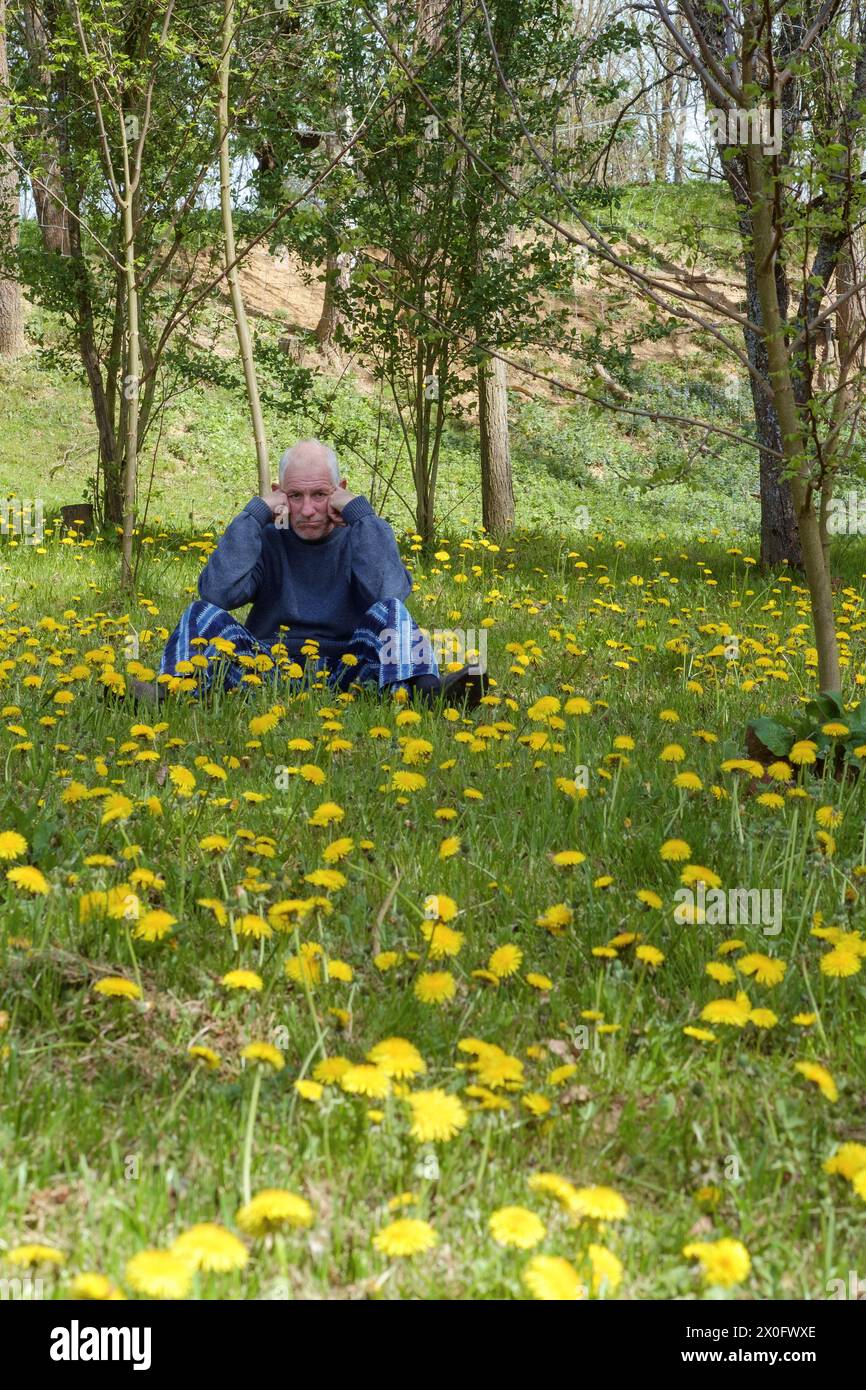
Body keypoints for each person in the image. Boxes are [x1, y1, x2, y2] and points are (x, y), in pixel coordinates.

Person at [128, 439, 488, 708]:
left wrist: (360, 515)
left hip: (348, 671)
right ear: (278, 495)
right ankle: (168, 694)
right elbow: (217, 595)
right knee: (199, 613)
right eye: (295, 495)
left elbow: (388, 591)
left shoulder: (360, 535)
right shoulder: (268, 537)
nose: (308, 509)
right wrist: (255, 515)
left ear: (341, 491)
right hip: (266, 668)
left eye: (320, 495)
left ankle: (430, 693)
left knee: (392, 611)